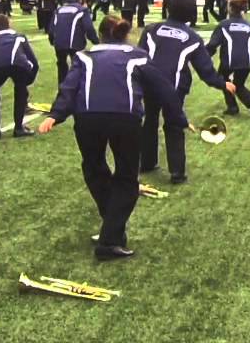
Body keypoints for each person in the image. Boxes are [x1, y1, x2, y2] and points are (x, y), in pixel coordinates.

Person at [39, 15, 187, 261]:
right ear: (124, 35)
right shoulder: (137, 56)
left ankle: (111, 226)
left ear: (100, 34)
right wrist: (178, 117)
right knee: (127, 178)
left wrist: (56, 115)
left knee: (94, 169)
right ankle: (110, 237)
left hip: (87, 118)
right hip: (124, 118)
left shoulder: (83, 57)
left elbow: (69, 87)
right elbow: (162, 88)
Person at [139, 0, 236, 182]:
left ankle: (147, 162)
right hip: (175, 87)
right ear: (191, 15)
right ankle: (177, 172)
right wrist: (222, 83)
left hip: (149, 84)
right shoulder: (192, 37)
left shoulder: (151, 30)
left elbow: (139, 57)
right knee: (174, 125)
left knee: (150, 121)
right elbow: (204, 69)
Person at [0, 14, 39, 140]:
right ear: (8, 24)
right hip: (18, 65)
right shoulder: (20, 38)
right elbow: (33, 62)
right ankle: (19, 128)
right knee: (21, 91)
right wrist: (28, 80)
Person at [208, 0, 250, 118]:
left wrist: (203, 56)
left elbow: (212, 45)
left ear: (230, 9)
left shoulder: (224, 25)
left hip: (229, 61)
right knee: (239, 84)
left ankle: (232, 107)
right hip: (246, 62)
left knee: (224, 80)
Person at [49, 0, 98, 83]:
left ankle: (62, 87)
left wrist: (52, 41)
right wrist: (96, 42)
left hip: (59, 43)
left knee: (61, 64)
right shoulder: (82, 10)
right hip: (75, 43)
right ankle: (76, 87)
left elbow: (51, 29)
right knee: (77, 66)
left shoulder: (59, 10)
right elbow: (89, 28)